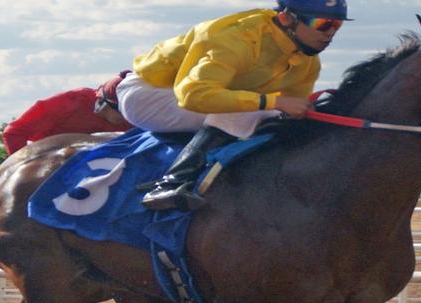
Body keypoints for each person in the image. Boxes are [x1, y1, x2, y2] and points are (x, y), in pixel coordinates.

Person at [119, 0, 351, 211]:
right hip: (150, 93)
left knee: (272, 116)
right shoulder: (238, 39)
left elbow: (291, 110)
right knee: (250, 110)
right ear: (285, 18)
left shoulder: (307, 61)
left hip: (195, 94)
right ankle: (169, 185)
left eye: (337, 25)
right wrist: (273, 102)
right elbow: (194, 95)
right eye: (322, 23)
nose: (330, 33)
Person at [1, 72, 134, 155]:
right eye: (122, 111)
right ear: (103, 103)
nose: (128, 118)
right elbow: (14, 132)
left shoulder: (135, 118)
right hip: (51, 164)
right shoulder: (69, 103)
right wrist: (25, 165)